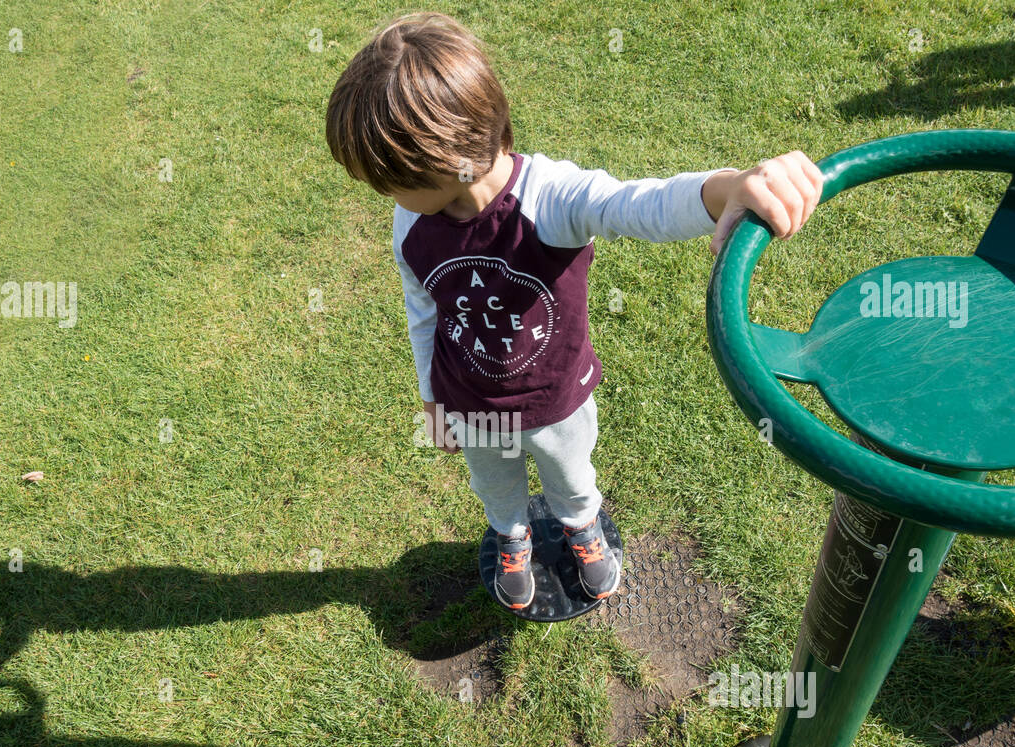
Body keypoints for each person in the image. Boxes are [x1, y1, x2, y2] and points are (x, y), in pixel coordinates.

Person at [326, 12, 823, 611]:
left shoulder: (550, 198)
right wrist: (432, 400)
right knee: (494, 484)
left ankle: (582, 527)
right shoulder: (413, 225)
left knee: (570, 477)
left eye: (388, 181)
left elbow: (638, 203)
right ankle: (511, 536)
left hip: (556, 399)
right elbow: (423, 312)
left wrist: (729, 189)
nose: (384, 197)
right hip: (472, 404)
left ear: (439, 165)